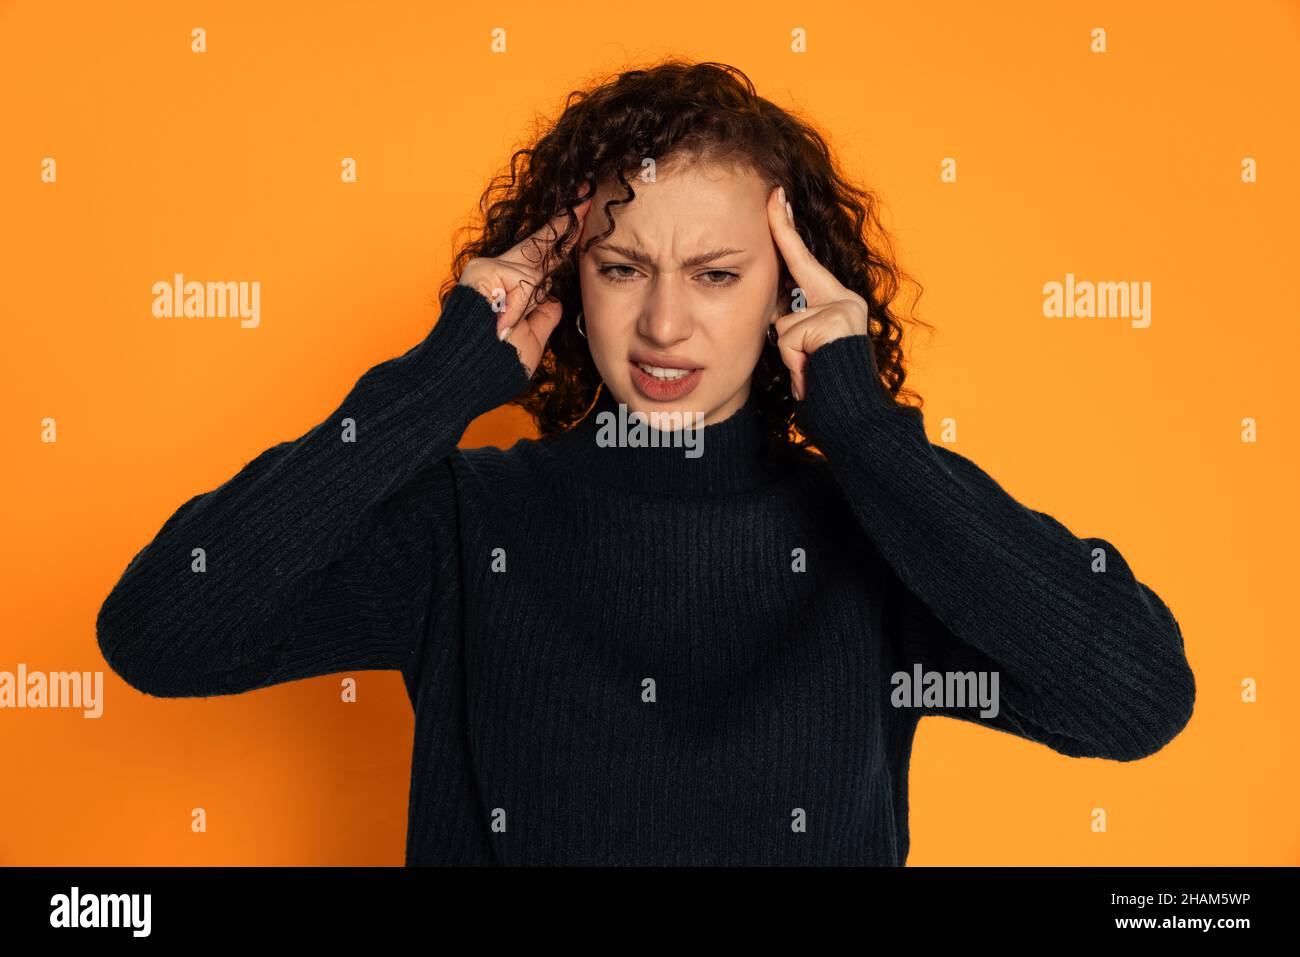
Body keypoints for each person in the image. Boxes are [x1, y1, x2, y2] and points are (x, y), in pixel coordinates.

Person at [95, 59, 1195, 866]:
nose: (664, 323)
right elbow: (159, 631)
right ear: (571, 282)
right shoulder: (466, 523)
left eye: (716, 274)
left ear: (790, 294)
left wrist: (867, 440)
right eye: (624, 267)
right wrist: (434, 383)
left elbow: (1136, 701)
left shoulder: (874, 536)